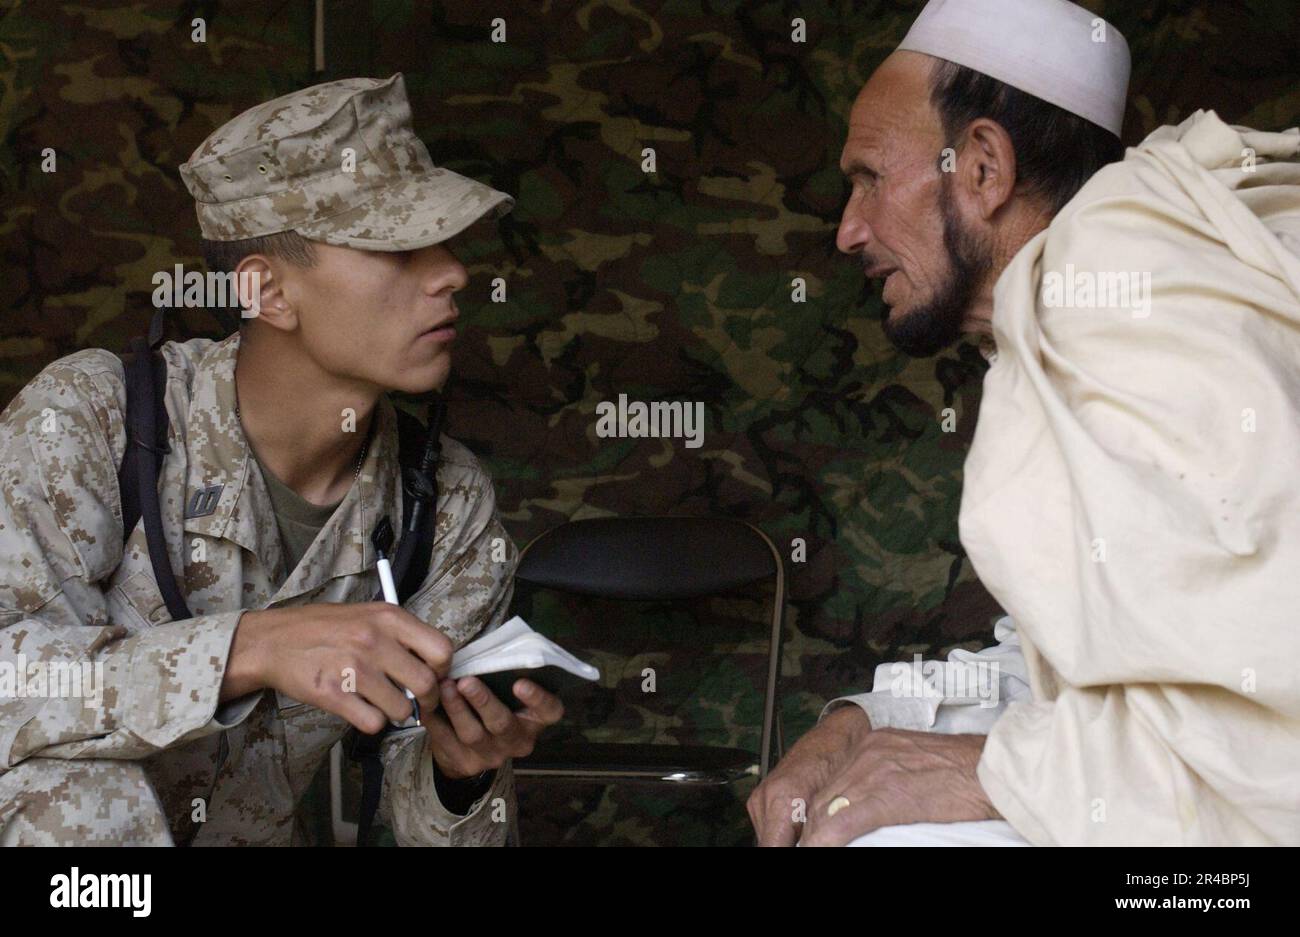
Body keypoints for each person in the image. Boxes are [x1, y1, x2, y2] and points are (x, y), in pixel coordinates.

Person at [750, 0, 1300, 846]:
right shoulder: (1081, 297)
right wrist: (865, 719)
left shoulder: (1122, 283)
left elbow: (1269, 740)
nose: (848, 230)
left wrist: (988, 771)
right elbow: (1116, 671)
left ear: (981, 168)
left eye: (868, 177)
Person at [0, 73, 563, 846]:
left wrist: (457, 772)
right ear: (267, 291)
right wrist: (252, 647)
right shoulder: (93, 419)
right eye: (396, 246)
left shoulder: (446, 503)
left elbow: (430, 824)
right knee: (74, 789)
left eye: (443, 241)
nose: (451, 273)